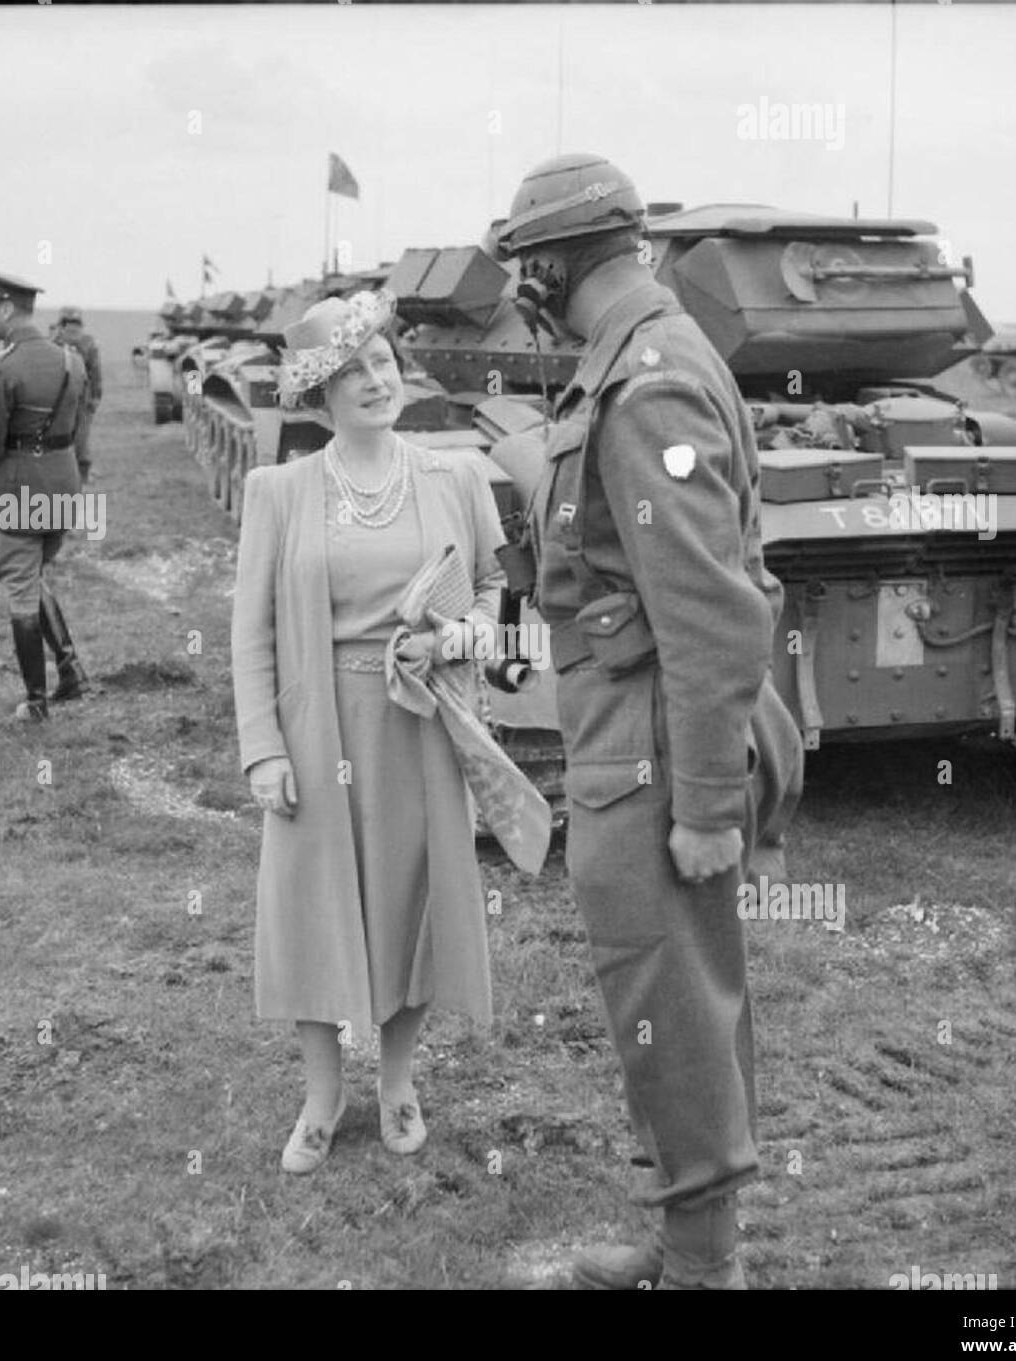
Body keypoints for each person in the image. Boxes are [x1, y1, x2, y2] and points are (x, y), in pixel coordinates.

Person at [493, 154, 804, 1289]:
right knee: (672, 1002)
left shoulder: (648, 378)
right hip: (632, 734)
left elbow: (712, 612)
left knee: (670, 1004)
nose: (518, 279)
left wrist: (710, 807)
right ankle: (687, 1241)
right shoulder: (627, 358)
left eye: (525, 258)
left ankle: (701, 1265)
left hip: (656, 750)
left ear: (556, 259)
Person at [231, 290, 506, 1174]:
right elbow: (252, 633)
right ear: (320, 398)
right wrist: (264, 748)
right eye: (351, 372)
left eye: (382, 362)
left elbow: (495, 588)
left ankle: (395, 1083)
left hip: (419, 726)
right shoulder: (279, 490)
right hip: (317, 729)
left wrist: (466, 634)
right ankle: (322, 1097)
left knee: (410, 904)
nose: (374, 380)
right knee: (309, 907)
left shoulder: (454, 476)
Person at [0, 268, 91, 721]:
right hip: (63, 486)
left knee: (20, 590)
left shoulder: (2, 367)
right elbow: (75, 428)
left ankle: (37, 704)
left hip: (20, 487)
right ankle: (70, 670)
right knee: (34, 576)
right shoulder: (71, 360)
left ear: (5, 308)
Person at [58, 307, 101, 484]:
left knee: (72, 436)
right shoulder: (88, 343)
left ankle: (77, 473)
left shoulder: (55, 342)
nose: (73, 328)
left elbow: (95, 371)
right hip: (77, 395)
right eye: (71, 324)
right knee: (80, 435)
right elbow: (96, 371)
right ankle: (80, 474)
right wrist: (96, 396)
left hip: (66, 396)